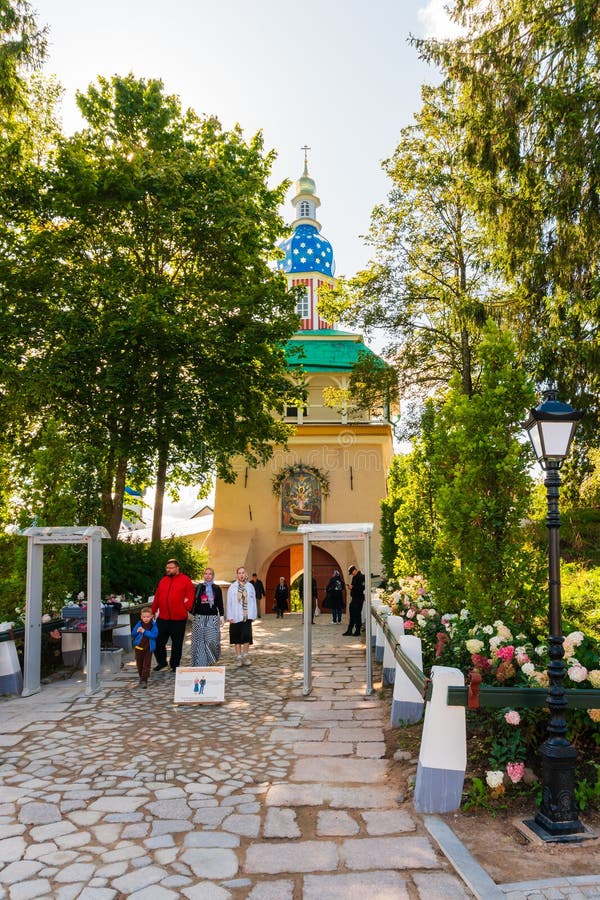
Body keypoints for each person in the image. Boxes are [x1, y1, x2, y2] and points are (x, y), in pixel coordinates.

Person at [151, 558, 195, 672]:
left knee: (177, 644)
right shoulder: (163, 580)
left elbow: (190, 595)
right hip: (163, 617)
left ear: (177, 568)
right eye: (167, 568)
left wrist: (186, 607)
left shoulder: (185, 580)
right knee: (157, 641)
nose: (168, 570)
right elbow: (157, 596)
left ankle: (174, 665)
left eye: (171, 568)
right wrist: (153, 610)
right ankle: (162, 662)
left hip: (178, 618)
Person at [190, 566, 224, 666]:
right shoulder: (199, 587)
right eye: (206, 574)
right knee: (199, 641)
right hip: (199, 618)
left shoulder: (216, 588)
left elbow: (220, 603)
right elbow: (194, 601)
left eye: (210, 574)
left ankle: (212, 660)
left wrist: (221, 615)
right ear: (203, 575)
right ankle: (200, 662)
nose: (207, 576)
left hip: (212, 618)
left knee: (212, 640)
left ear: (213, 576)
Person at [226, 566, 257, 666]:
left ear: (246, 574)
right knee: (237, 637)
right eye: (239, 573)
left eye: (243, 573)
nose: (241, 575)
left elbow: (253, 601)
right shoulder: (232, 587)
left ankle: (245, 656)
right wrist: (229, 616)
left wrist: (253, 614)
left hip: (246, 616)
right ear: (237, 575)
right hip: (235, 616)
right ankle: (238, 657)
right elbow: (229, 602)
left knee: (247, 636)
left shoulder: (250, 586)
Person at [131, 606, 158, 688]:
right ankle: (141, 677)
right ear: (141, 617)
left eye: (148, 617)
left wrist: (144, 631)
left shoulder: (153, 626)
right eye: (144, 617)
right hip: (138, 648)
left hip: (148, 649)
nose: (146, 618)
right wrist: (137, 631)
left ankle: (144, 680)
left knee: (146, 665)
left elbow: (154, 635)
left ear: (152, 616)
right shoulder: (139, 624)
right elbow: (133, 634)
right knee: (139, 664)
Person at [343, 565, 366, 636]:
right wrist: (351, 587)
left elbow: (361, 588)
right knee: (352, 614)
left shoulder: (361, 577)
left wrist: (352, 587)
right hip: (354, 598)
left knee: (357, 614)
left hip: (359, 598)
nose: (352, 574)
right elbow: (354, 586)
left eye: (352, 572)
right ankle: (349, 630)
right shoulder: (354, 577)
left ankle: (357, 631)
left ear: (355, 570)